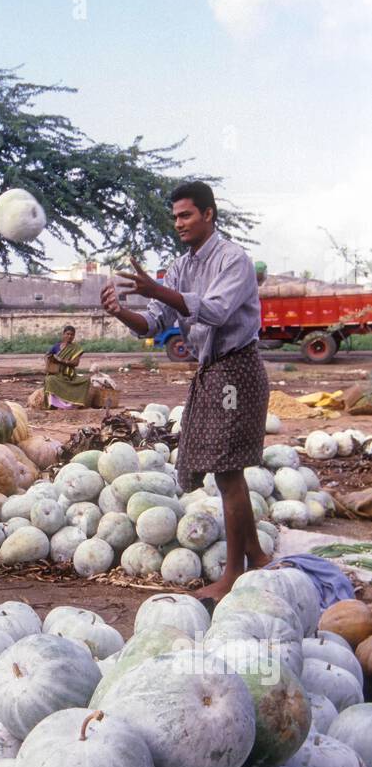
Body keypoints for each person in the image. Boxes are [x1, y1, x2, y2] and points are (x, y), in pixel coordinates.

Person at [100, 180, 269, 602]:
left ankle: (232, 575)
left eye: (187, 215)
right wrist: (121, 312)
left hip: (237, 371)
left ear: (209, 214)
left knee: (229, 470)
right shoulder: (179, 266)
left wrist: (158, 290)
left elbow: (214, 311)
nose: (179, 223)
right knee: (226, 469)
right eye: (175, 216)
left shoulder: (233, 259)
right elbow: (153, 323)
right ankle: (256, 554)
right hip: (211, 372)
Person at [43, 325, 91, 408]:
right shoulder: (56, 346)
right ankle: (54, 404)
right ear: (63, 334)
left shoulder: (76, 348)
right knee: (49, 379)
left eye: (72, 335)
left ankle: (73, 405)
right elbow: (47, 356)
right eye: (67, 334)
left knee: (86, 379)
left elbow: (76, 363)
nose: (69, 336)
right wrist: (50, 361)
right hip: (57, 373)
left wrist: (62, 361)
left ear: (74, 336)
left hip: (70, 375)